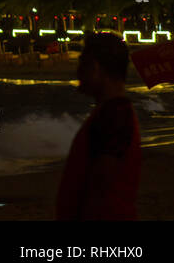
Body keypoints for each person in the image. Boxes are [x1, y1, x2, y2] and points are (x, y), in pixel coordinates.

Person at [55, 32, 141, 220]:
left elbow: (101, 184)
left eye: (81, 64)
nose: (78, 72)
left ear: (94, 68)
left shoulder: (114, 115)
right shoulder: (114, 112)